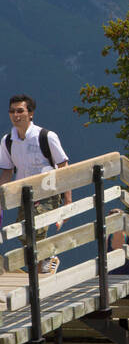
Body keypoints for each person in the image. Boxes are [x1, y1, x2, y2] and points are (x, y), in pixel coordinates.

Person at [0, 94, 71, 274]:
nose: (16, 115)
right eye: (12, 111)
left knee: (36, 225)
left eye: (20, 111)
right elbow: (7, 171)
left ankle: (47, 258)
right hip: (24, 194)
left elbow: (64, 167)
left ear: (30, 114)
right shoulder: (8, 141)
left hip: (49, 189)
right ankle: (44, 264)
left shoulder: (46, 136)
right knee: (23, 232)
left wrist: (68, 203)